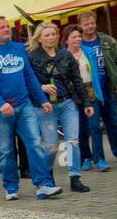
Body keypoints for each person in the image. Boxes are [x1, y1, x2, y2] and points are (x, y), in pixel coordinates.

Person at [0, 16, 59, 201]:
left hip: (24, 105)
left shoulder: (19, 48)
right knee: (6, 149)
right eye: (2, 27)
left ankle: (43, 184)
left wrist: (42, 99)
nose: (7, 29)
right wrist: (0, 103)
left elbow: (29, 76)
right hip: (0, 111)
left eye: (7, 26)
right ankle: (11, 186)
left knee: (35, 143)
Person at [28, 22, 92, 193]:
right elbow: (29, 81)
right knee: (51, 145)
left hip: (67, 102)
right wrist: (42, 87)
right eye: (47, 35)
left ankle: (75, 177)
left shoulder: (65, 55)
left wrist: (86, 102)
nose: (51, 38)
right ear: (39, 38)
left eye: (53, 34)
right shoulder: (32, 57)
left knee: (72, 141)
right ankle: (47, 176)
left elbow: (77, 80)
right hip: (45, 105)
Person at [66, 25, 110, 171]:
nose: (78, 39)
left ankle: (100, 159)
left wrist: (100, 93)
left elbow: (96, 74)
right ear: (66, 40)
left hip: (91, 92)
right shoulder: (63, 55)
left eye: (79, 36)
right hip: (73, 95)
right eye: (74, 37)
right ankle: (86, 157)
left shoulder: (89, 52)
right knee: (80, 129)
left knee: (95, 127)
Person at [77, 10, 117, 164]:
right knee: (94, 126)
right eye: (86, 24)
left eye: (92, 23)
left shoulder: (107, 40)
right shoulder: (79, 44)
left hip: (108, 86)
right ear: (80, 26)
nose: (90, 26)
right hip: (90, 90)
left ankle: (115, 150)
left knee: (113, 120)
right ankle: (98, 158)